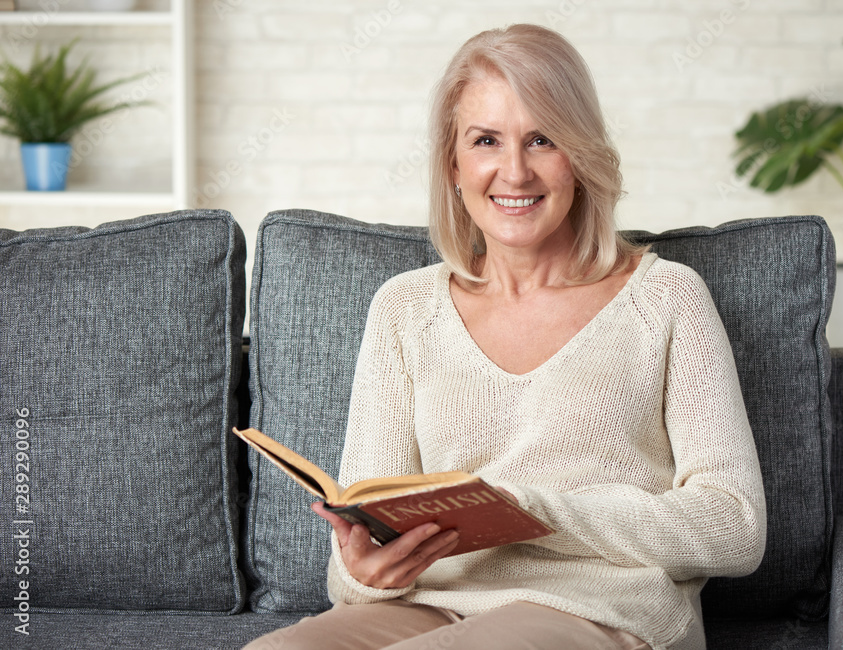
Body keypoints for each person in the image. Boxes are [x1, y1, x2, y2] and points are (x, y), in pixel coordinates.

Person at [246, 23, 765, 650]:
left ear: (581, 155)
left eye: (542, 139)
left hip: (599, 610)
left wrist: (524, 512)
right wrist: (364, 574)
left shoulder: (666, 299)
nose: (513, 172)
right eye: (486, 140)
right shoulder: (404, 310)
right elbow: (355, 557)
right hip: (432, 603)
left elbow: (735, 527)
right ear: (454, 165)